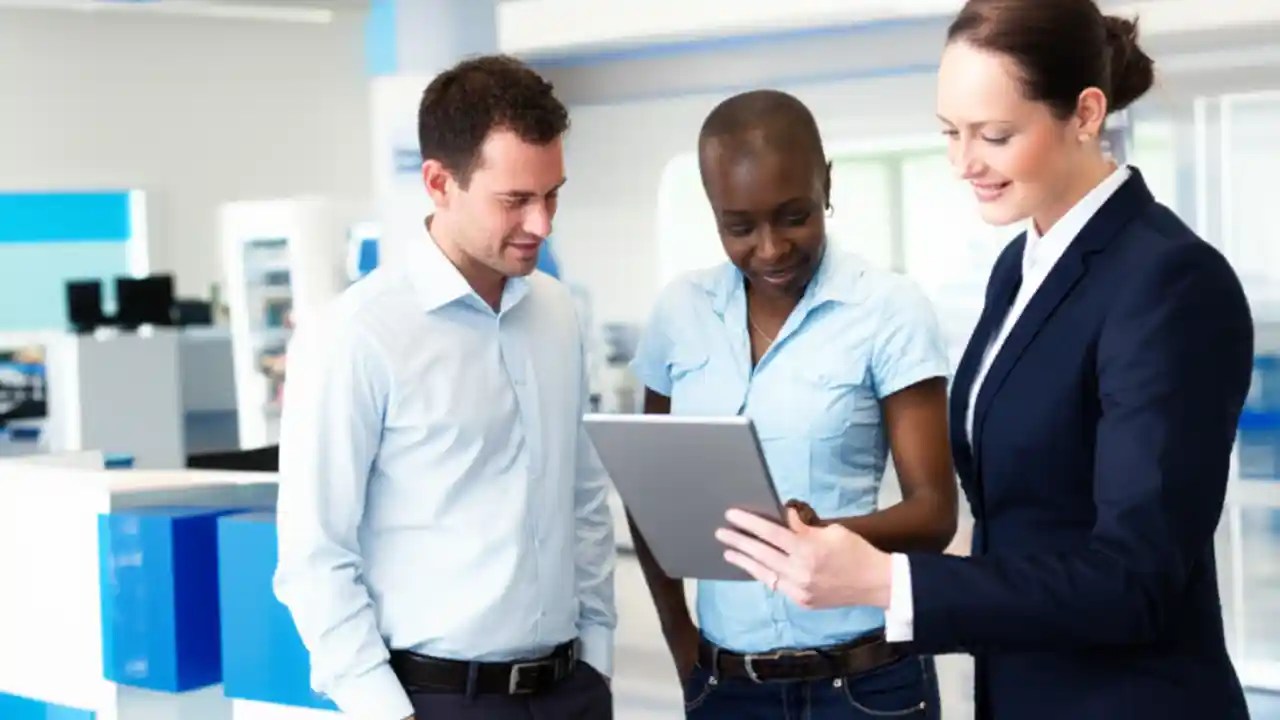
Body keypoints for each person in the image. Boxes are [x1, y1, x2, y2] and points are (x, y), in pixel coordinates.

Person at [715, 2, 1254, 719]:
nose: (962, 163)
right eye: (950, 133)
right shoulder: (1017, 268)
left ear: (1087, 113)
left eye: (994, 135)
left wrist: (888, 582)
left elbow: (1134, 582)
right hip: (1023, 691)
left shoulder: (1169, 281)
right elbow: (1021, 520)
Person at [273, 55, 617, 720]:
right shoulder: (354, 335)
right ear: (438, 183)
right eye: (515, 200)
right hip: (435, 701)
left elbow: (582, 500)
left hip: (571, 692)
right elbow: (315, 554)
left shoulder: (556, 312)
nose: (542, 224)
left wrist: (597, 659)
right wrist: (386, 711)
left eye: (553, 195)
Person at [629, 89, 958, 719]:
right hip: (728, 686)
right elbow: (653, 499)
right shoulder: (681, 314)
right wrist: (680, 641)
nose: (772, 248)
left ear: (826, 185)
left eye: (793, 216)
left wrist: (822, 533)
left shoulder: (887, 309)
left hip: (867, 683)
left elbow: (935, 515)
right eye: (740, 226)